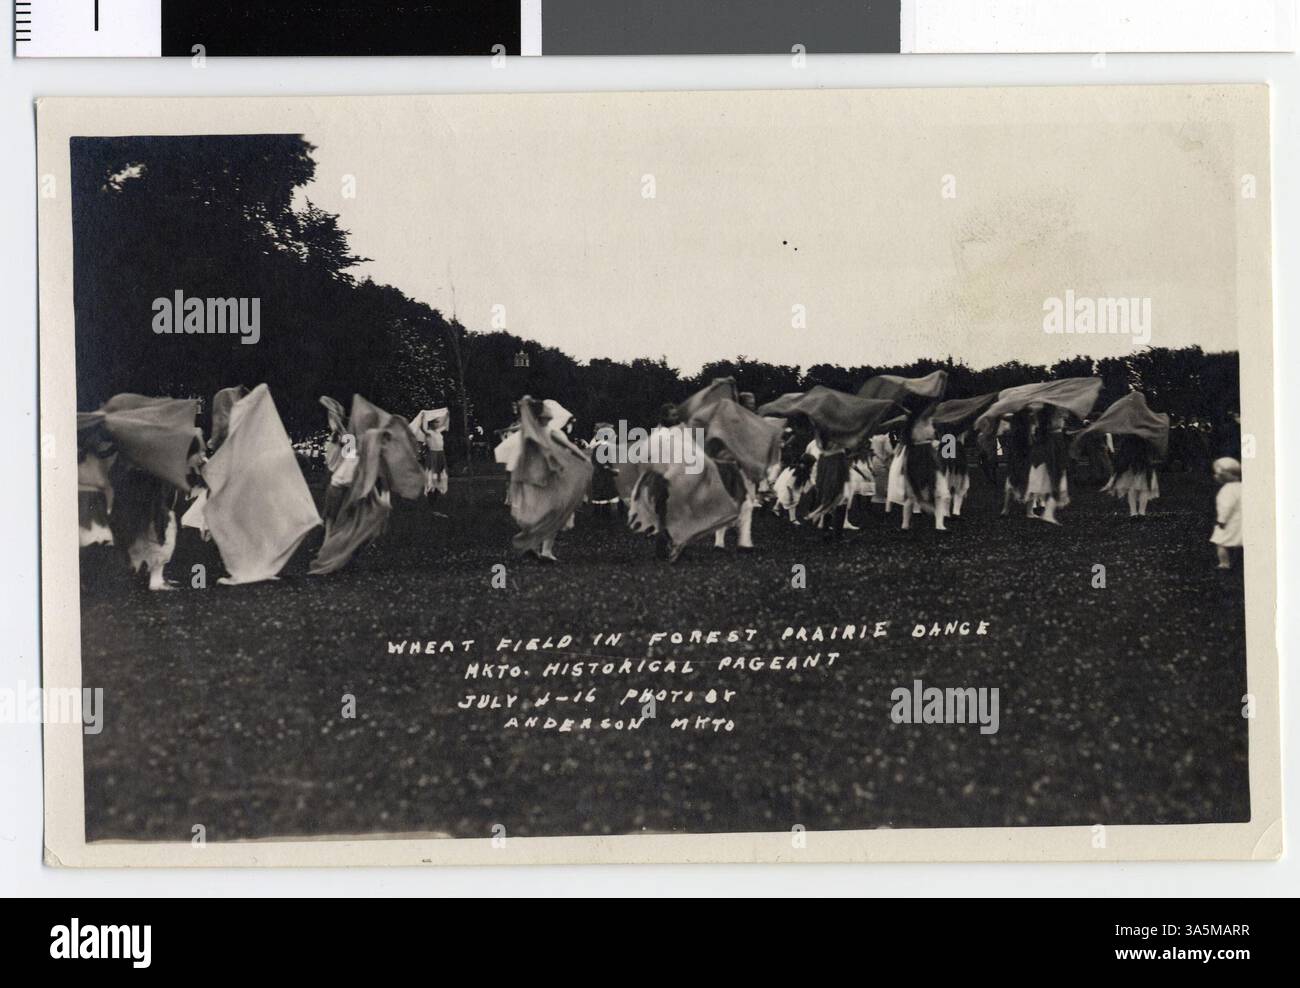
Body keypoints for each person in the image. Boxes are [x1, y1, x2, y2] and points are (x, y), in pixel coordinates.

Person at [507, 398, 592, 563]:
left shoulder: (531, 432)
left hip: (535, 478)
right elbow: (571, 448)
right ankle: (544, 550)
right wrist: (584, 459)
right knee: (554, 514)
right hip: (550, 478)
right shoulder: (551, 432)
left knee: (540, 513)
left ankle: (534, 547)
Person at [1109, 433, 1160, 519]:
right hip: (1144, 464)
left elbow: (1123, 451)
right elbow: (1152, 450)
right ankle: (1142, 512)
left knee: (1132, 488)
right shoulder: (1147, 435)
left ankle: (1133, 512)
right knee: (1144, 488)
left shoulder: (1128, 436)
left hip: (1130, 464)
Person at [1210, 457, 1243, 569]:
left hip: (1229, 522)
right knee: (1240, 541)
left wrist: (1221, 521)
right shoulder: (1242, 486)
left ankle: (1224, 563)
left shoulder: (1226, 490)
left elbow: (1226, 507)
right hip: (1242, 521)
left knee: (1221, 542)